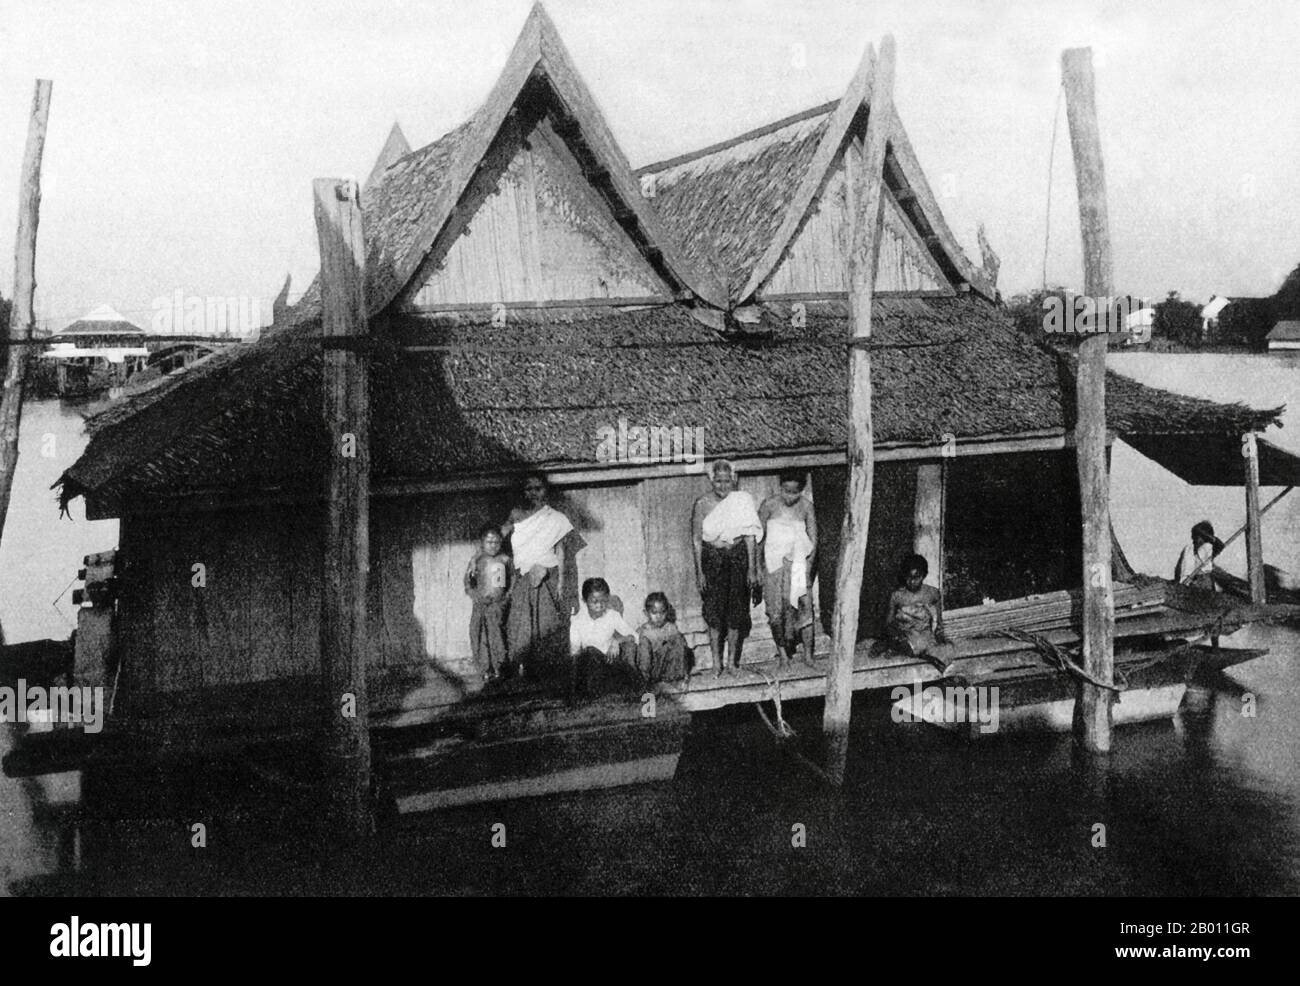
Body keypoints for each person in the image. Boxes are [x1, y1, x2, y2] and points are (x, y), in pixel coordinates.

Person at [692, 460, 762, 676]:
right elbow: (696, 540)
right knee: (714, 613)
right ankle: (716, 664)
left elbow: (750, 536)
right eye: (718, 481)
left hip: (738, 558)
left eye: (727, 481)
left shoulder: (741, 501)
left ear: (733, 480)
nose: (723, 486)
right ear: (711, 480)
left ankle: (731, 663)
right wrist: (700, 572)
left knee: (736, 612)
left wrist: (752, 569)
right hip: (713, 560)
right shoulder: (702, 504)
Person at [502, 473, 574, 679]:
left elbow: (561, 551)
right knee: (522, 622)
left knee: (546, 623)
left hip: (548, 575)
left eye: (538, 488)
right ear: (523, 492)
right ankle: (523, 669)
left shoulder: (556, 518)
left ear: (546, 491)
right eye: (528, 488)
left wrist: (560, 581)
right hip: (523, 575)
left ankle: (547, 672)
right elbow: (499, 536)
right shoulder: (516, 515)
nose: (533, 493)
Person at [759, 470, 818, 667]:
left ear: (802, 490)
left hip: (799, 564)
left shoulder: (806, 507)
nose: (790, 496)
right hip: (774, 566)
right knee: (775, 612)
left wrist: (807, 569)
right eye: (786, 491)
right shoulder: (769, 506)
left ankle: (808, 656)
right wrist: (758, 569)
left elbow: (813, 540)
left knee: (804, 609)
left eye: (794, 492)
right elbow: (758, 539)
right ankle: (783, 655)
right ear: (780, 486)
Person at [885, 553, 957, 675]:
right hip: (907, 636)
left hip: (925, 635)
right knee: (905, 645)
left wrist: (940, 636)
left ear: (924, 575)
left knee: (946, 649)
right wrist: (898, 635)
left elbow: (938, 622)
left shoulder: (932, 593)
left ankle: (932, 659)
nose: (912, 581)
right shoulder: (897, 596)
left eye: (916, 577)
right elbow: (889, 623)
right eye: (908, 577)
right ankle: (931, 659)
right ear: (904, 576)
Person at [569, 577, 637, 699]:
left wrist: (617, 641)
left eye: (603, 601)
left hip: (610, 664)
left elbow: (634, 636)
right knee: (590, 651)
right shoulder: (577, 621)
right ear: (585, 600)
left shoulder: (612, 615)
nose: (599, 605)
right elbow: (575, 653)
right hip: (590, 668)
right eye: (594, 601)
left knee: (628, 653)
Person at [464, 524, 512, 680]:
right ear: (482, 543)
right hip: (480, 605)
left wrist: (506, 597)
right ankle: (484, 668)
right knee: (479, 635)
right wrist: (474, 596)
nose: (493, 546)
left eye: (496, 542)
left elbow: (513, 579)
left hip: (498, 606)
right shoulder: (476, 560)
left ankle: (498, 667)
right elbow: (467, 582)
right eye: (489, 542)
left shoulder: (505, 559)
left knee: (496, 636)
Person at [636, 592, 692, 686]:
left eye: (662, 612)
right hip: (652, 670)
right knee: (644, 642)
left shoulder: (670, 627)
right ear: (646, 613)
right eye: (654, 613)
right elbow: (642, 658)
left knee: (678, 639)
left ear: (667, 612)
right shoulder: (643, 631)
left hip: (668, 669)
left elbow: (681, 648)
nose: (658, 616)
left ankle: (677, 678)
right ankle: (644, 681)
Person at [1175, 520, 1224, 593]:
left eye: (1196, 537)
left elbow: (1220, 545)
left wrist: (1203, 533)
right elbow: (1179, 568)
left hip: (1204, 580)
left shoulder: (1207, 548)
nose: (1193, 539)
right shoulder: (1188, 549)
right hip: (1189, 581)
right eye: (1193, 536)